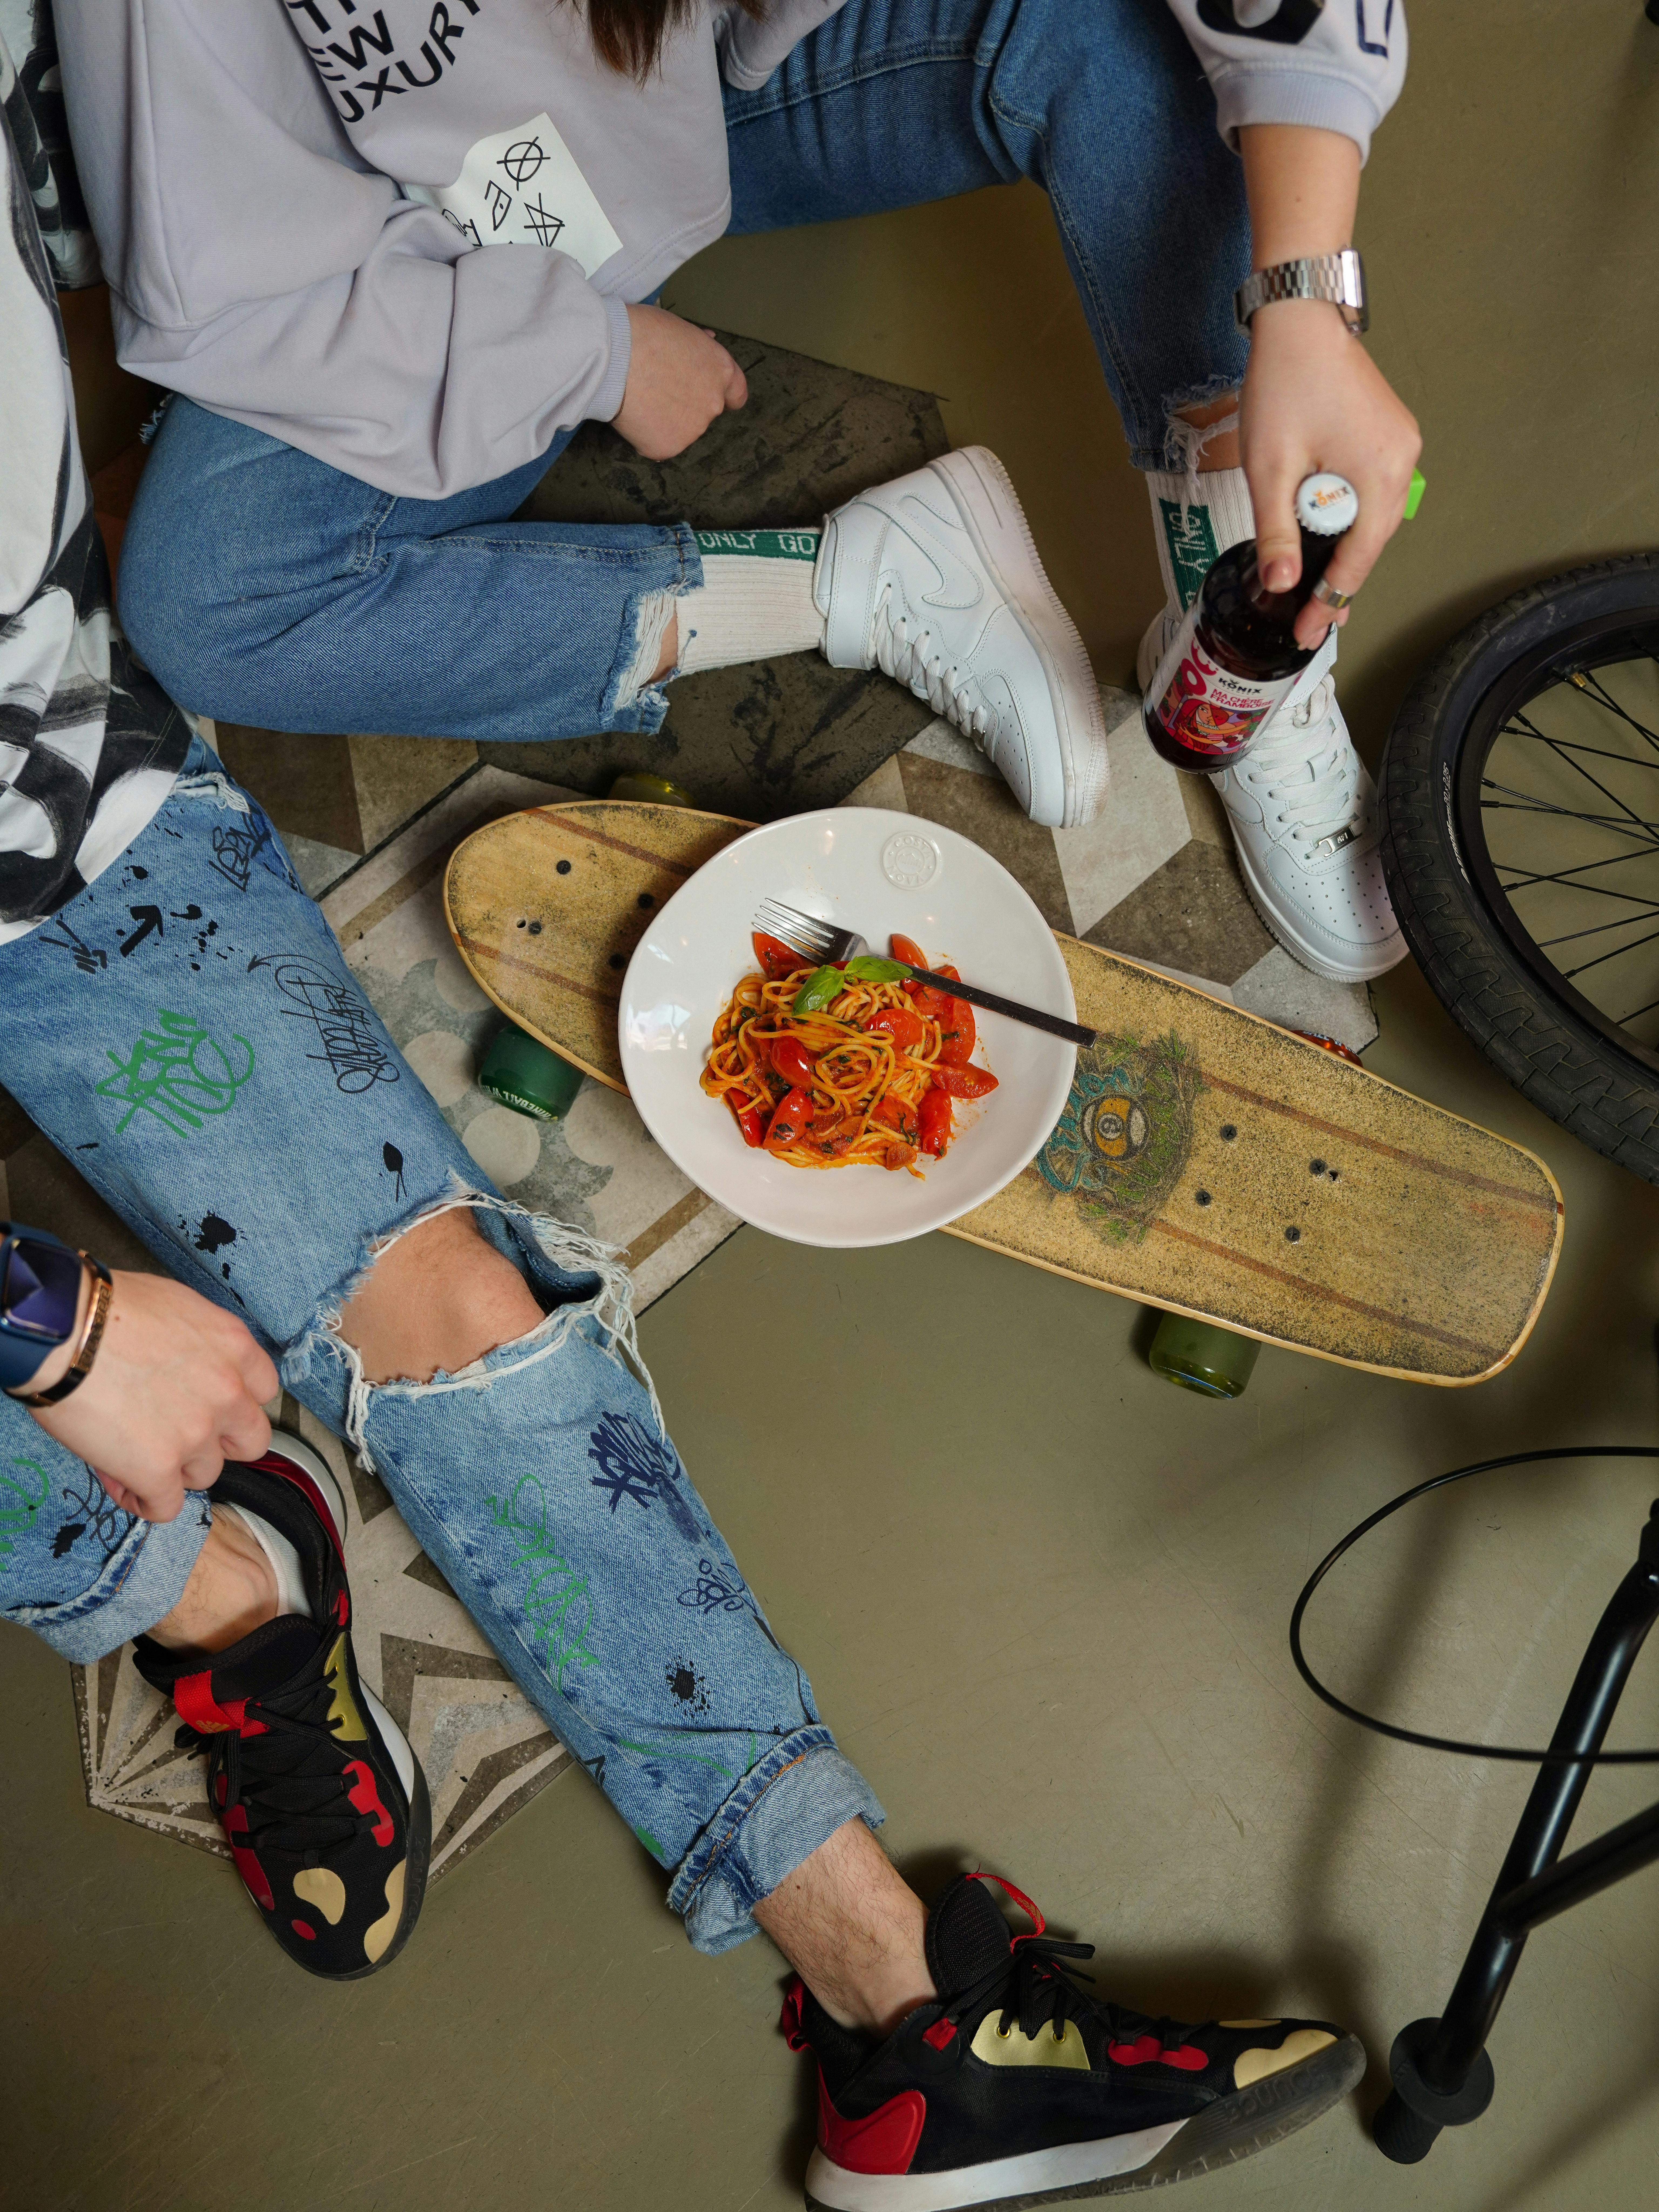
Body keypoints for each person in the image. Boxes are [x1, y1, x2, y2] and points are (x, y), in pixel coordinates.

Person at [0, 5, 1393, 2203]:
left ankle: (896, 2005)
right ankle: (211, 1594)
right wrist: (49, 1332)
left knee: (445, 1304)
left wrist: (1309, 288)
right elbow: (233, 256)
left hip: (53, 812)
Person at [51, 0, 1420, 982]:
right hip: (441, 236)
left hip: (718, 69)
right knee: (212, 601)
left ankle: (1251, 653)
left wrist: (1300, 291)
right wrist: (589, 349)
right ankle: (865, 578)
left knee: (1126, 37)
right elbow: (224, 298)